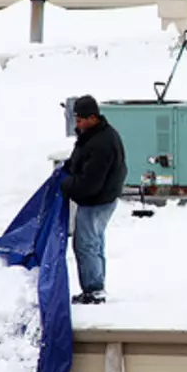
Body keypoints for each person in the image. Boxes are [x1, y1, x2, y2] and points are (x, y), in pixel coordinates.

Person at [62, 94, 127, 305]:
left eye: (80, 120)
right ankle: (96, 286)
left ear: (92, 117)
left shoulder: (101, 143)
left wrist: (66, 185)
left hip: (96, 201)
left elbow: (89, 183)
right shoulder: (95, 135)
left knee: (86, 244)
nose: (77, 124)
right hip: (103, 198)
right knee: (95, 243)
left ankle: (93, 290)